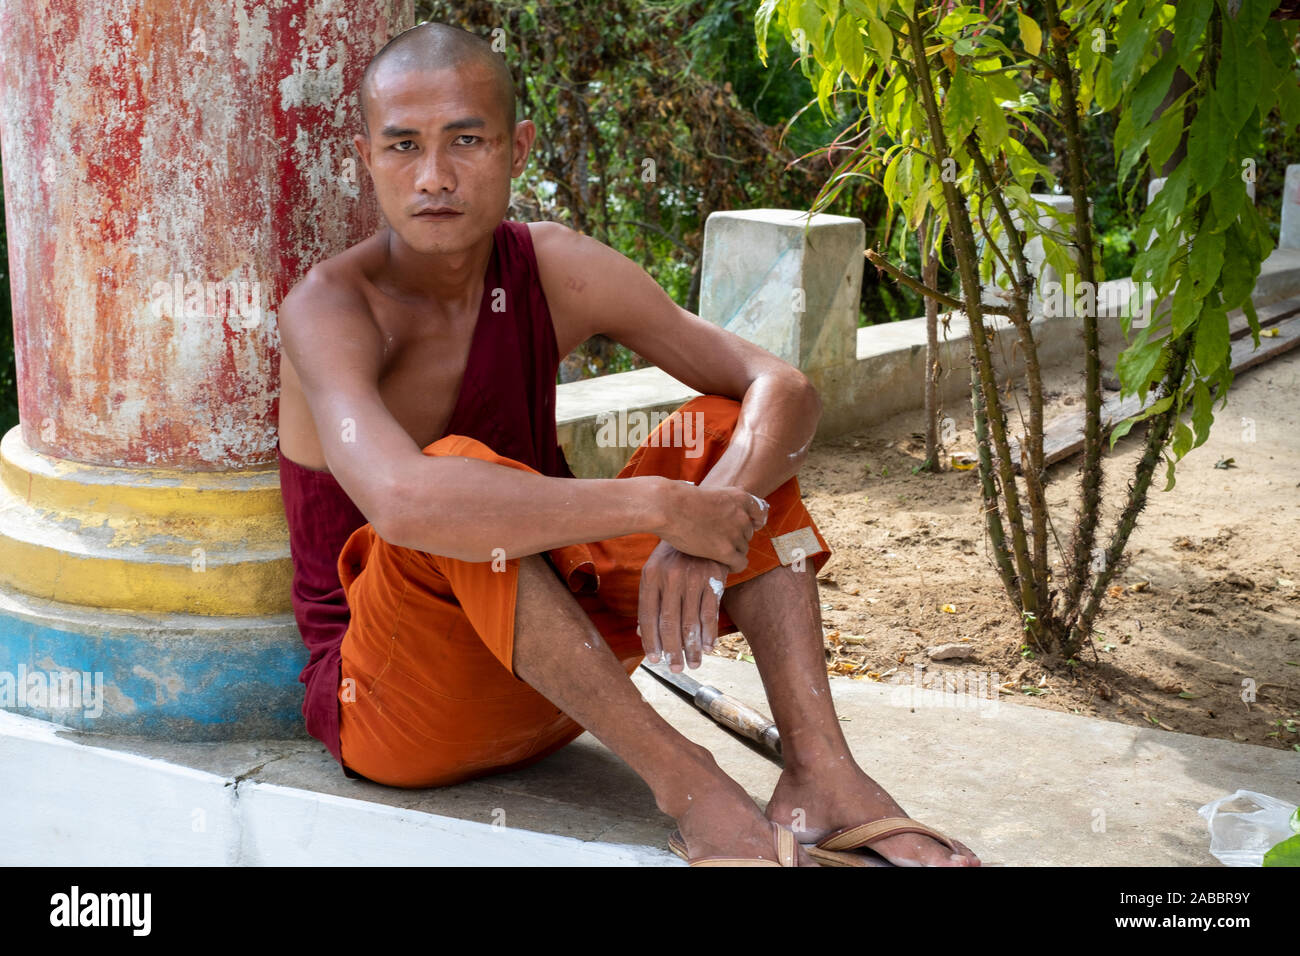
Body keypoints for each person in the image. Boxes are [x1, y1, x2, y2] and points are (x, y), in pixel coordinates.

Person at [275, 21, 979, 867]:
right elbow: (403, 500)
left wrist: (712, 521)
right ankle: (694, 787)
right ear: (366, 159)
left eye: (467, 140)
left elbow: (782, 389)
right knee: (450, 480)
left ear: (517, 147)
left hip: (563, 680)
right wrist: (659, 507)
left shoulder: (551, 268)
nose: (434, 177)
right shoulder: (330, 310)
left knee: (725, 432)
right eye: (403, 147)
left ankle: (822, 773)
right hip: (397, 708)